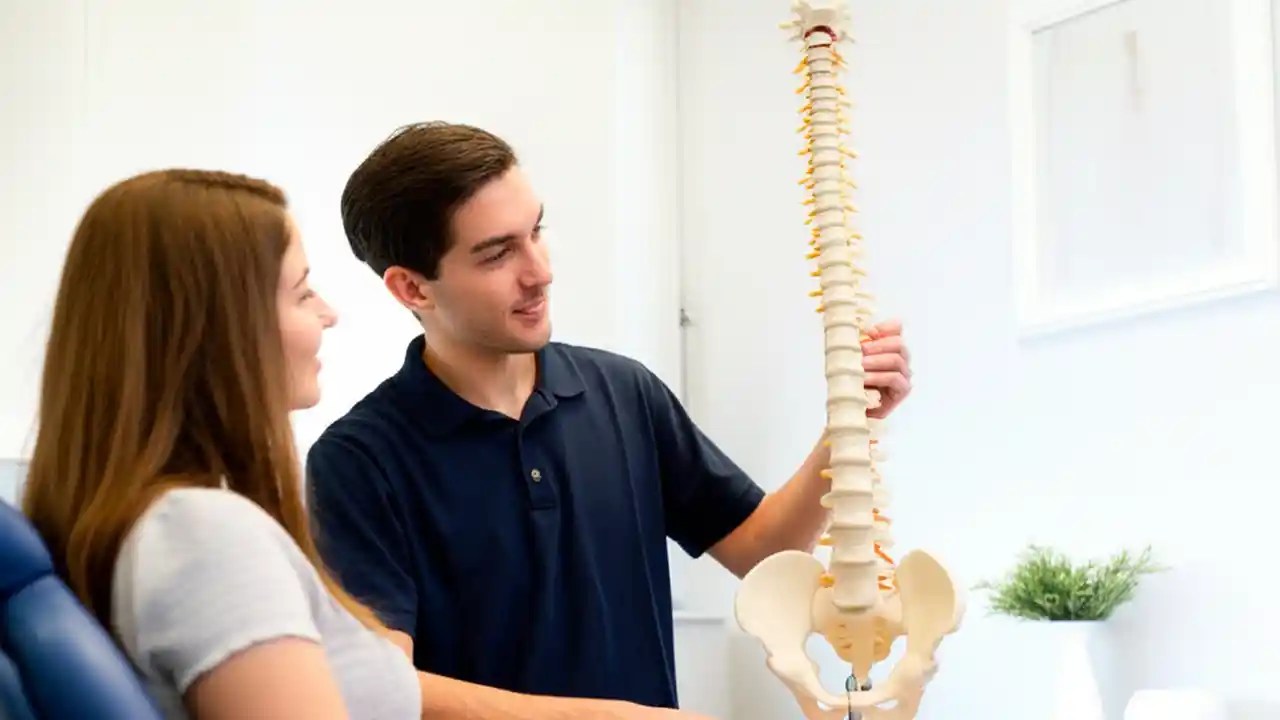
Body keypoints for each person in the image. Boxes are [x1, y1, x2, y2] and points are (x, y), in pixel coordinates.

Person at [21, 169, 700, 720]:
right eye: (301, 291)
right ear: (218, 331)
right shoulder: (204, 535)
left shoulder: (160, 524)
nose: (329, 313)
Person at [305, 121, 913, 712]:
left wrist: (846, 430)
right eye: (497, 254)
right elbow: (380, 691)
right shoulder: (359, 461)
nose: (539, 271)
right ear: (412, 289)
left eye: (536, 232)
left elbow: (765, 551)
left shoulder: (624, 394)